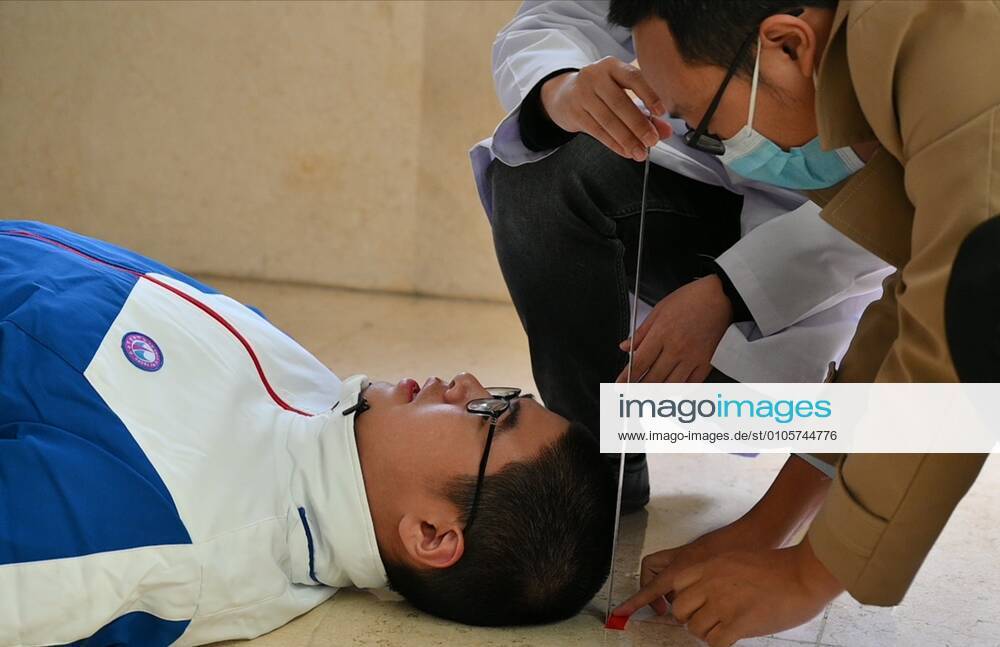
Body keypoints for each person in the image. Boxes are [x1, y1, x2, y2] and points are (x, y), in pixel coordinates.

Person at [0, 220, 616, 645]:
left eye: (490, 417)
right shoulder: (326, 404)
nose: (469, 383)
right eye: (505, 395)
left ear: (430, 534)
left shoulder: (167, 540)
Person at [604, 1, 999, 645]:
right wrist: (769, 529)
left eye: (705, 126)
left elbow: (964, 323)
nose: (725, 153)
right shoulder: (892, 51)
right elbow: (913, 306)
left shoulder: (944, 47)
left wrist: (809, 576)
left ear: (787, 47)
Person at [471, 0, 892, 511]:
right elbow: (553, 18)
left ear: (791, 43)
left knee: (863, 409)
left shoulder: (942, 72)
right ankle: (602, 467)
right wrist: (560, 87)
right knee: (544, 164)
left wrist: (733, 290)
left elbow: (910, 209)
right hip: (687, 185)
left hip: (829, 279)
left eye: (702, 118)